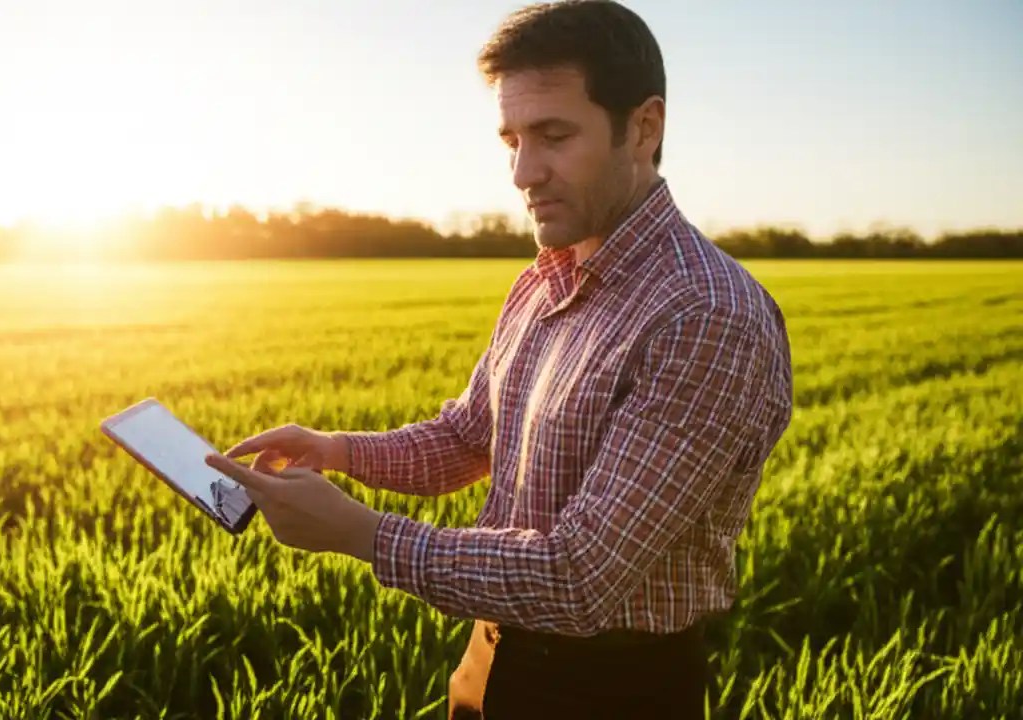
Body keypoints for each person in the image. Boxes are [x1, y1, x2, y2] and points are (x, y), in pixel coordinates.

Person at [204, 1, 794, 717]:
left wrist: (360, 533)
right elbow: (465, 438)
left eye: (552, 136)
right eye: (510, 139)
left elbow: (580, 577)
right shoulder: (547, 276)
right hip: (491, 659)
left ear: (643, 127)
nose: (521, 172)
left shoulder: (706, 315)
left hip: (611, 691)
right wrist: (333, 450)